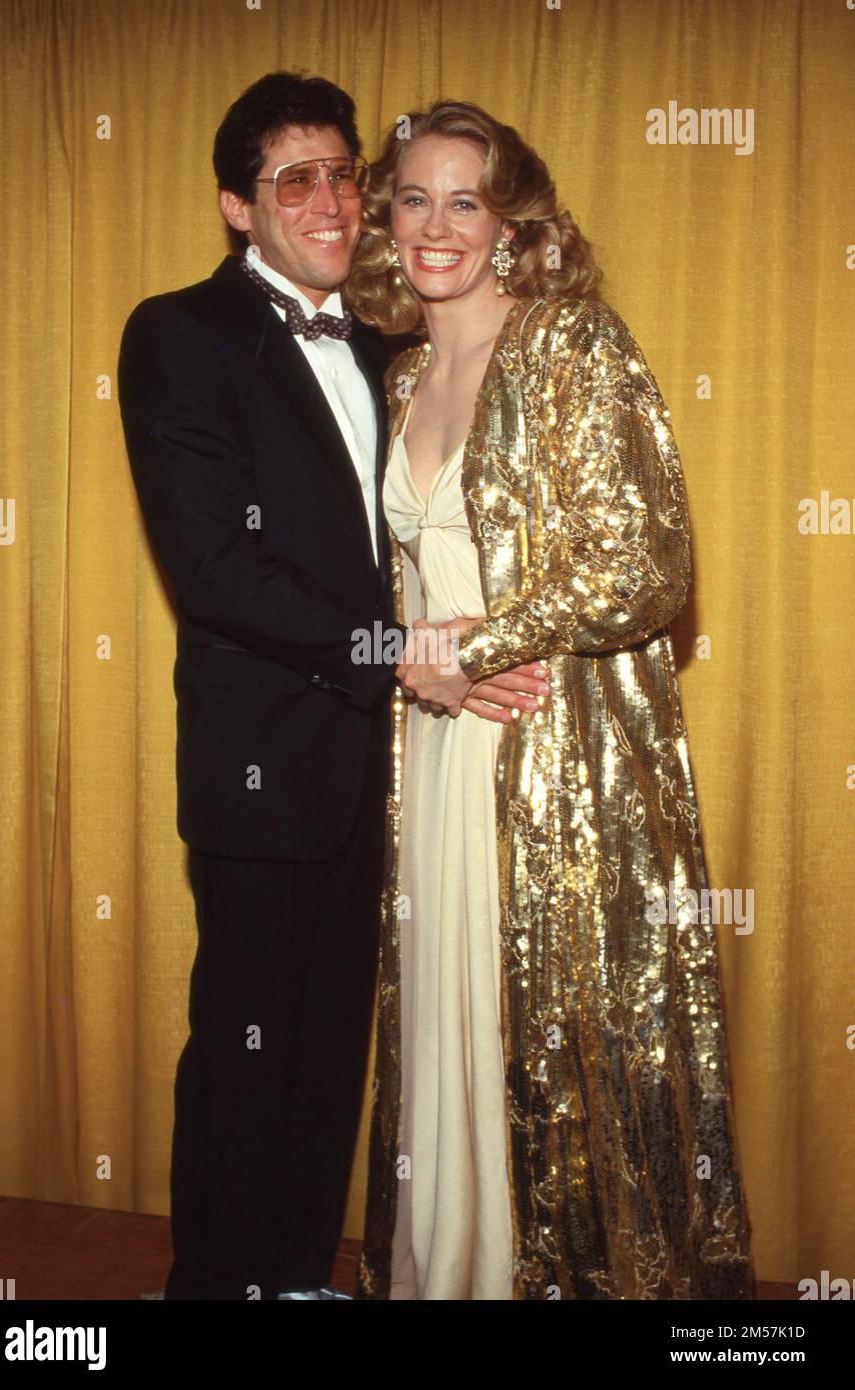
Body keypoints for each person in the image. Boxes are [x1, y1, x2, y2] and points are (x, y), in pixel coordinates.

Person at [118, 73, 537, 1302]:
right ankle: (218, 1283)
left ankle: (299, 1273)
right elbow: (213, 566)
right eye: (294, 177)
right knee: (248, 1039)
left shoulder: (387, 342)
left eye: (343, 172)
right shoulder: (181, 333)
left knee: (331, 1039)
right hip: (261, 756)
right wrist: (399, 654)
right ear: (238, 208)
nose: (330, 198)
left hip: (382, 763)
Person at [346, 100, 756, 1300]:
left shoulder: (576, 345)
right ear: (384, 221)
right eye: (412, 198)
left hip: (550, 749)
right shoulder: (406, 367)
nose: (436, 225)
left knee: (561, 1035)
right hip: (427, 752)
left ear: (511, 220)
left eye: (463, 200)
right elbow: (384, 593)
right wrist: (414, 662)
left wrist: (483, 644)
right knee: (444, 1018)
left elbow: (647, 561)